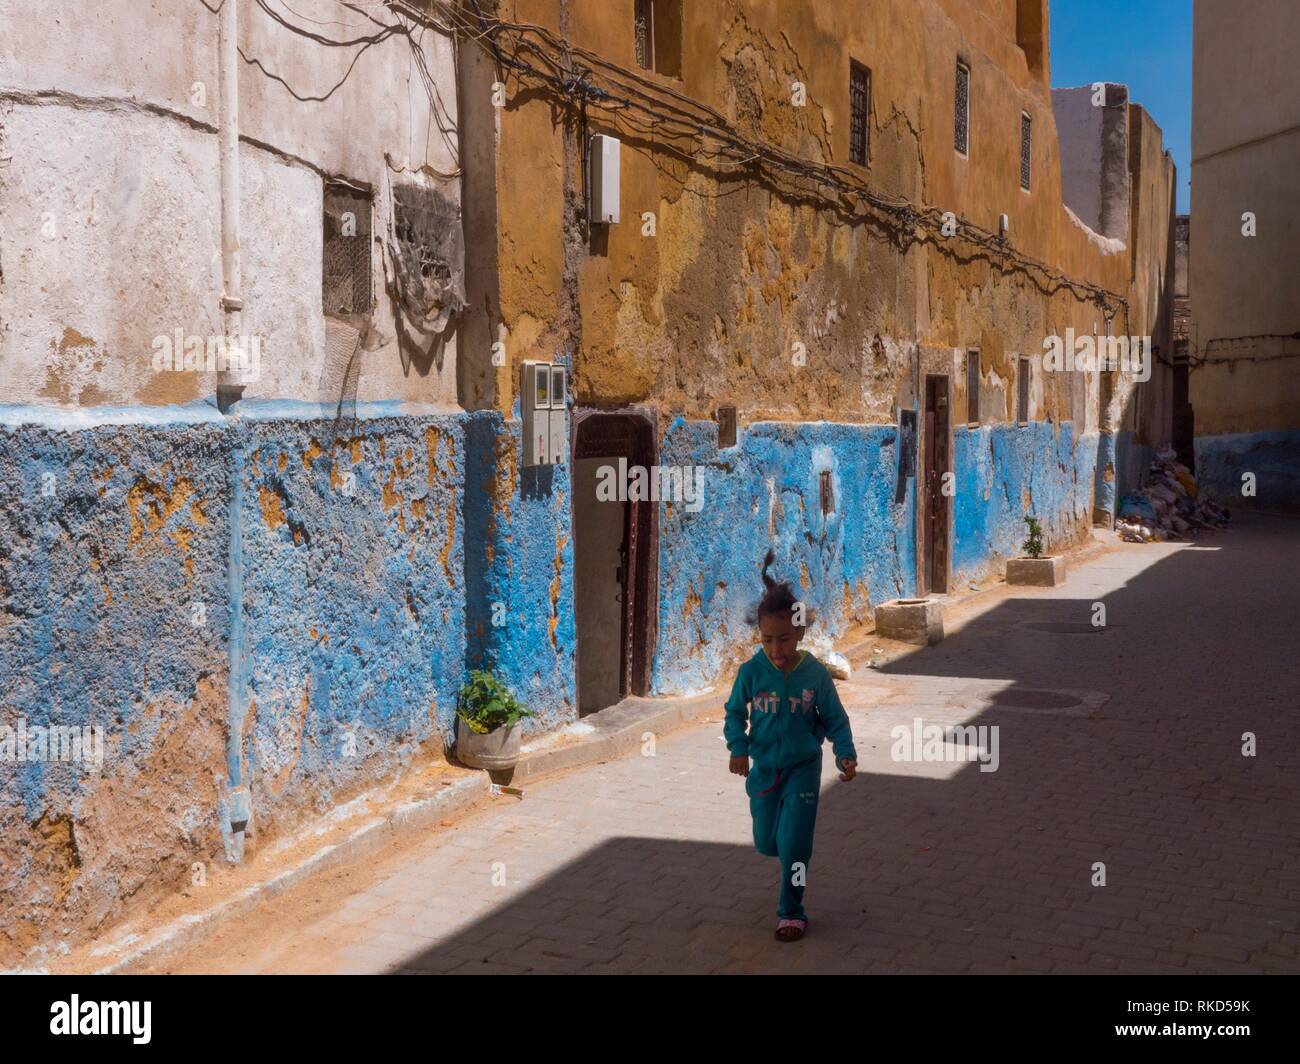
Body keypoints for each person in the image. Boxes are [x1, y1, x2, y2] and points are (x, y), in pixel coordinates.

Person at [724, 549, 858, 942]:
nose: (777, 649)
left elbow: (835, 719)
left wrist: (844, 753)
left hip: (803, 769)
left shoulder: (815, 675)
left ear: (799, 633)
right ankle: (783, 853)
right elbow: (734, 714)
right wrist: (738, 747)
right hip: (764, 770)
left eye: (784, 639)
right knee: (768, 842)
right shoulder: (751, 672)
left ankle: (792, 911)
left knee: (795, 844)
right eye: (767, 640)